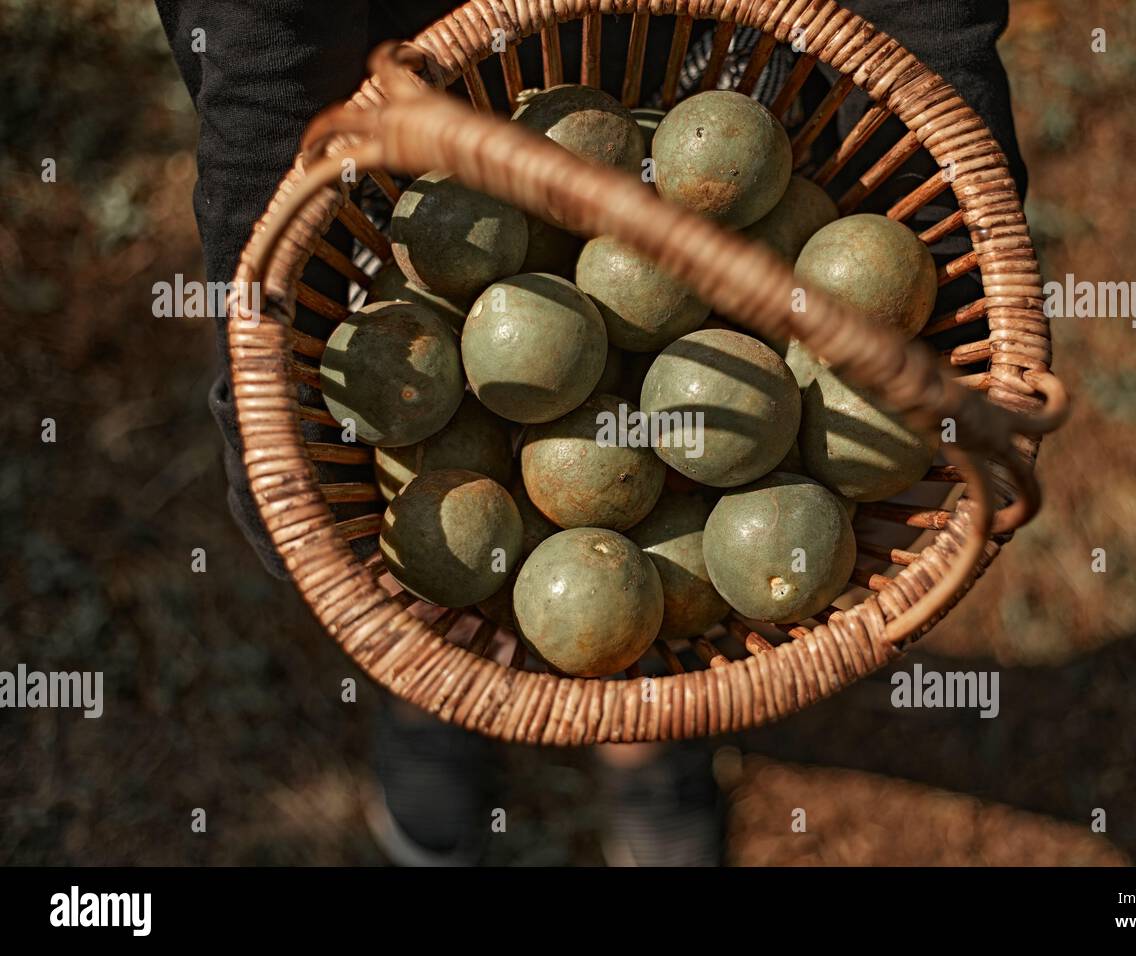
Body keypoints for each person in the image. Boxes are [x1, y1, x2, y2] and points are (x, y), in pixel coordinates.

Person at [155, 0, 1026, 866]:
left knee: (611, 615)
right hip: (407, 78)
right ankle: (427, 685)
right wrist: (254, 359)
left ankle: (646, 720)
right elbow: (258, 43)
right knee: (428, 577)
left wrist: (954, 159)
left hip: (674, 64)